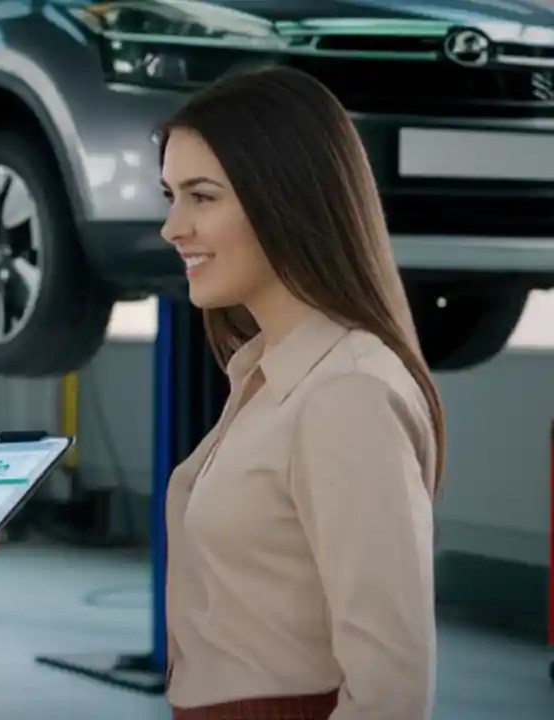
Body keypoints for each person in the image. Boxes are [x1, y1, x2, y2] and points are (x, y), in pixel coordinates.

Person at [156, 65, 444, 720]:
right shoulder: (267, 373)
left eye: (201, 196)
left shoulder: (348, 393)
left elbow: (390, 688)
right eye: (169, 195)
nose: (172, 227)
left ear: (285, 196)